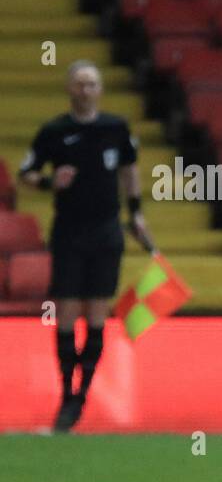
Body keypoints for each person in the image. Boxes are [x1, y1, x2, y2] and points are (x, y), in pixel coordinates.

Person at [18, 60, 153, 432]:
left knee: (96, 314)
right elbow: (25, 173)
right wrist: (50, 182)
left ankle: (81, 395)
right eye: (79, 84)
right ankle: (66, 394)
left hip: (107, 231)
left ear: (100, 89)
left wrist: (137, 213)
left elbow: (129, 172)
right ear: (69, 89)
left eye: (92, 84)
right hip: (69, 232)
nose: (86, 90)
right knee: (65, 314)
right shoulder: (55, 132)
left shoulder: (116, 128)